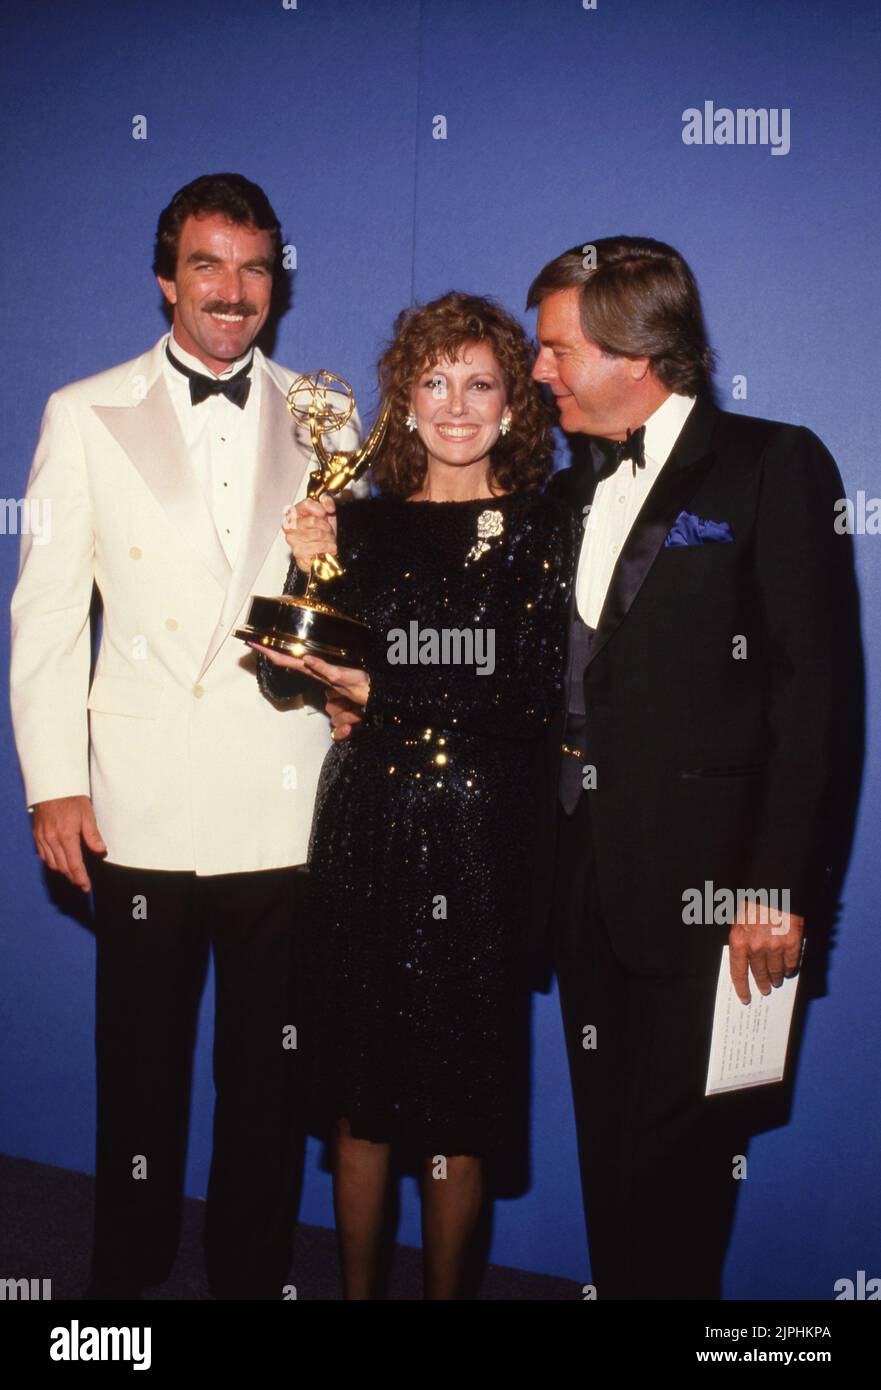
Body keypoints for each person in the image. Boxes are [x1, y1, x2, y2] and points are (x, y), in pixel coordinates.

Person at [8, 172, 359, 1300]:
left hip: (282, 796)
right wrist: (54, 783)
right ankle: (120, 1290)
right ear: (167, 277)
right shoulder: (83, 410)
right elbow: (49, 613)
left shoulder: (327, 413)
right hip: (142, 801)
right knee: (140, 1075)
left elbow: (348, 594)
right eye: (207, 264)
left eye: (255, 268)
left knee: (270, 1076)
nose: (232, 290)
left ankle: (250, 1279)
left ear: (277, 284)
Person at [524, 235, 861, 1299]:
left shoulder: (773, 463)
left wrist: (776, 892)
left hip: (717, 901)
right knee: (609, 1157)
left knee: (679, 1173)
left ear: (636, 355)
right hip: (581, 885)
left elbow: (815, 704)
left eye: (553, 350)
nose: (538, 372)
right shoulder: (564, 487)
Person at [252, 291, 576, 1299]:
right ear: (403, 399)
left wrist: (372, 686)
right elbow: (278, 675)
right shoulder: (358, 521)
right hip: (364, 828)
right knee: (360, 1105)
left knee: (453, 1110)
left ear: (513, 405)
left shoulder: (544, 526)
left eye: (479, 382)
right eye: (432, 381)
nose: (455, 403)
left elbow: (518, 686)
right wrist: (309, 572)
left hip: (479, 836)